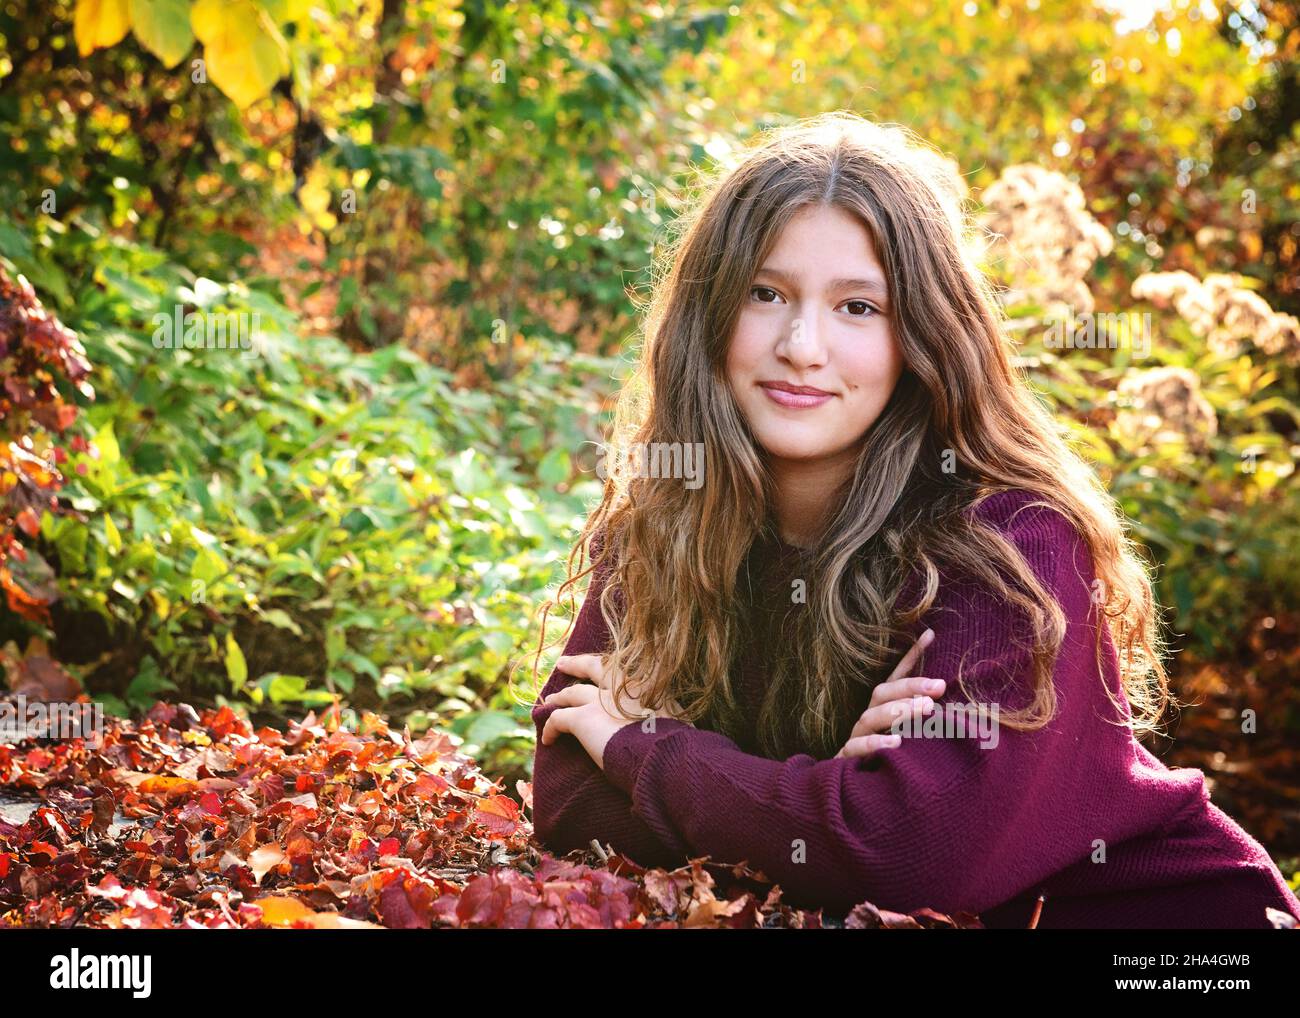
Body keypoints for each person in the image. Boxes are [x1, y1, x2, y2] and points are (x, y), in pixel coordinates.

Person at [523, 112, 1300, 929]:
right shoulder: (665, 526)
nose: (802, 345)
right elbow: (574, 808)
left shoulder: (1010, 542)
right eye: (765, 293)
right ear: (708, 315)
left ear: (922, 334)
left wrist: (648, 750)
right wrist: (833, 794)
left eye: (858, 307)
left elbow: (910, 859)